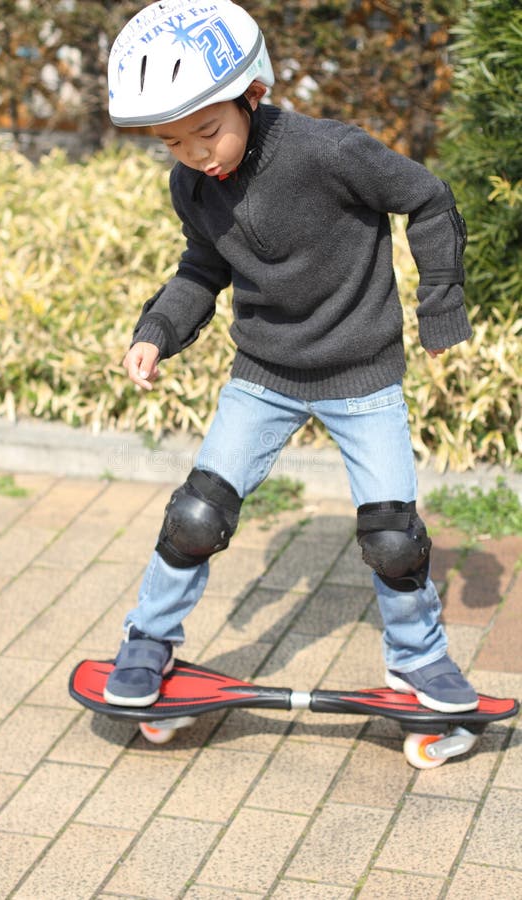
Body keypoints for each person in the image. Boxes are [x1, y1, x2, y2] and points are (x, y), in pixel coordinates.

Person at [103, 0, 478, 714]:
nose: (195, 154)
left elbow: (429, 199)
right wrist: (157, 329)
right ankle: (147, 639)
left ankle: (420, 663)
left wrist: (441, 308)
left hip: (361, 373)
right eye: (173, 142)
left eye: (207, 131)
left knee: (394, 537)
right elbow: (200, 269)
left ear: (253, 92)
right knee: (195, 516)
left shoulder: (330, 152)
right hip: (264, 376)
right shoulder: (193, 184)